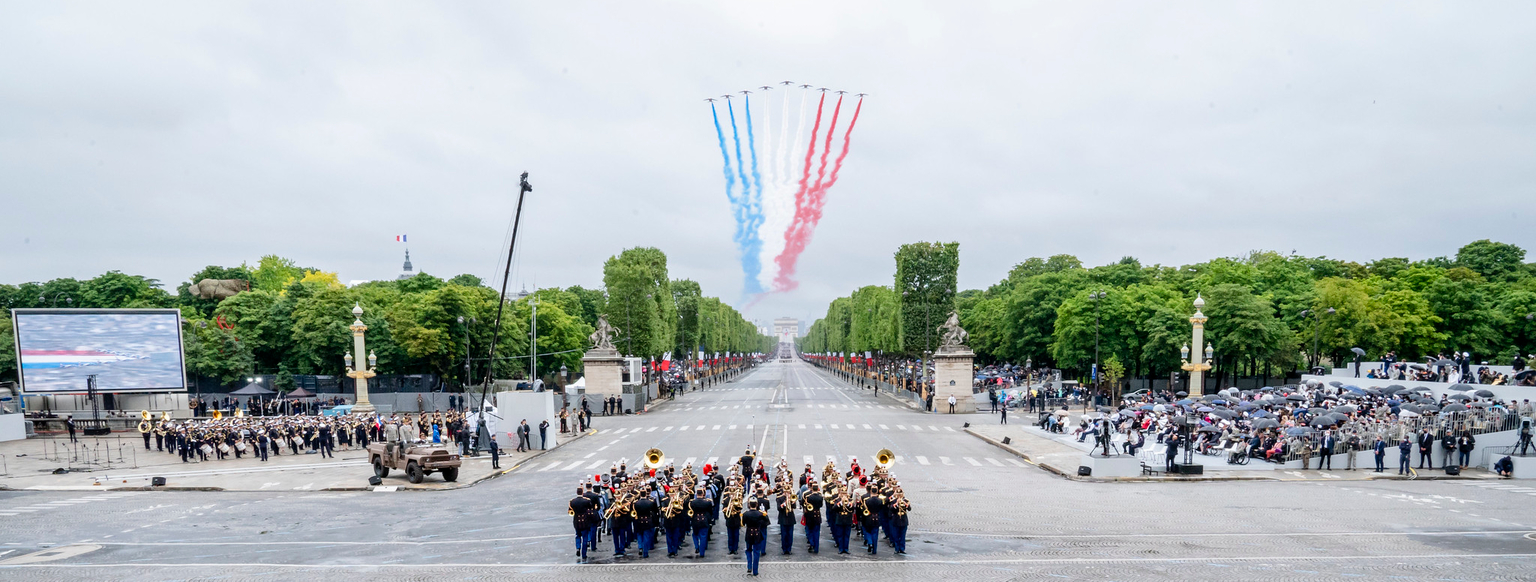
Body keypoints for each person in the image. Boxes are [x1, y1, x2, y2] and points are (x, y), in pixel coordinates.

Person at [742, 499, 769, 576]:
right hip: (757, 533)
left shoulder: (746, 514)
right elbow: (766, 521)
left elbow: (743, 523)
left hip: (749, 532)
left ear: (749, 505)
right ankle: (755, 570)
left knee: (748, 550)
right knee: (756, 552)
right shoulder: (760, 514)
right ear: (757, 505)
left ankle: (749, 566)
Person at [569, 486, 595, 563]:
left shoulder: (572, 501)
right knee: (585, 537)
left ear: (577, 492)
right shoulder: (586, 501)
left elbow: (570, 510)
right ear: (582, 492)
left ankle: (578, 547)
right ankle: (584, 554)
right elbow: (591, 509)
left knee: (577, 535)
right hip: (585, 521)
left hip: (576, 521)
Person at [689, 488, 714, 558]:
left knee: (695, 534)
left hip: (695, 520)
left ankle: (697, 546)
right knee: (703, 537)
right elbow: (710, 512)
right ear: (703, 494)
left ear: (696, 494)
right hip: (704, 520)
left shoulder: (692, 502)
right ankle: (702, 552)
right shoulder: (707, 502)